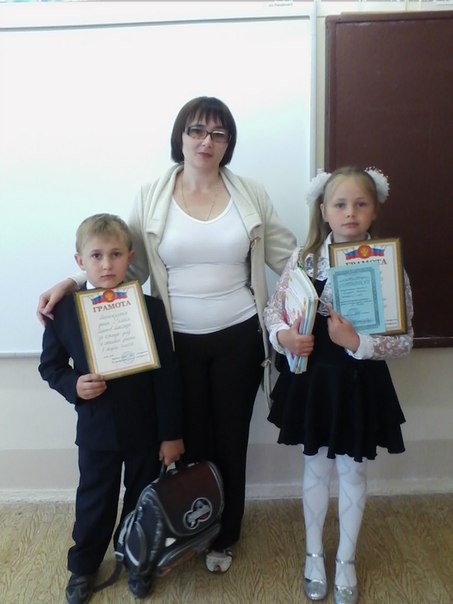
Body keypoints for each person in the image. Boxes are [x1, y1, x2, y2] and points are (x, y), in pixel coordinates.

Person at [37, 96, 297, 573]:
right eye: (196, 130)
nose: (206, 141)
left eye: (218, 134)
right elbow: (122, 262)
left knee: (231, 440)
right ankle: (192, 530)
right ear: (180, 137)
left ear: (228, 143)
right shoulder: (151, 196)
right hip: (175, 342)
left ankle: (224, 535)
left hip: (239, 336)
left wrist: (336, 272)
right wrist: (72, 282)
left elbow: (289, 257)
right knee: (187, 442)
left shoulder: (251, 194)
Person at [263, 167, 414, 604]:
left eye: (360, 204)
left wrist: (357, 343)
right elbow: (274, 311)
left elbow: (404, 340)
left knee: (353, 469)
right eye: (340, 204)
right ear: (324, 211)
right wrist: (284, 337)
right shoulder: (305, 258)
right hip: (314, 382)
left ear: (374, 210)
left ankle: (345, 559)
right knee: (314, 466)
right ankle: (314, 554)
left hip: (359, 383)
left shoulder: (389, 265)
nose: (350, 213)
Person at [38, 213, 184, 604]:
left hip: (146, 429)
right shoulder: (63, 311)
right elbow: (50, 367)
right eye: (97, 255)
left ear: (130, 257)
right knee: (94, 500)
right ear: (80, 261)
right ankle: (83, 566)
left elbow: (167, 376)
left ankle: (136, 559)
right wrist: (74, 386)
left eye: (116, 255)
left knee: (142, 499)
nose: (106, 264)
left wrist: (171, 434)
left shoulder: (150, 309)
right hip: (96, 429)